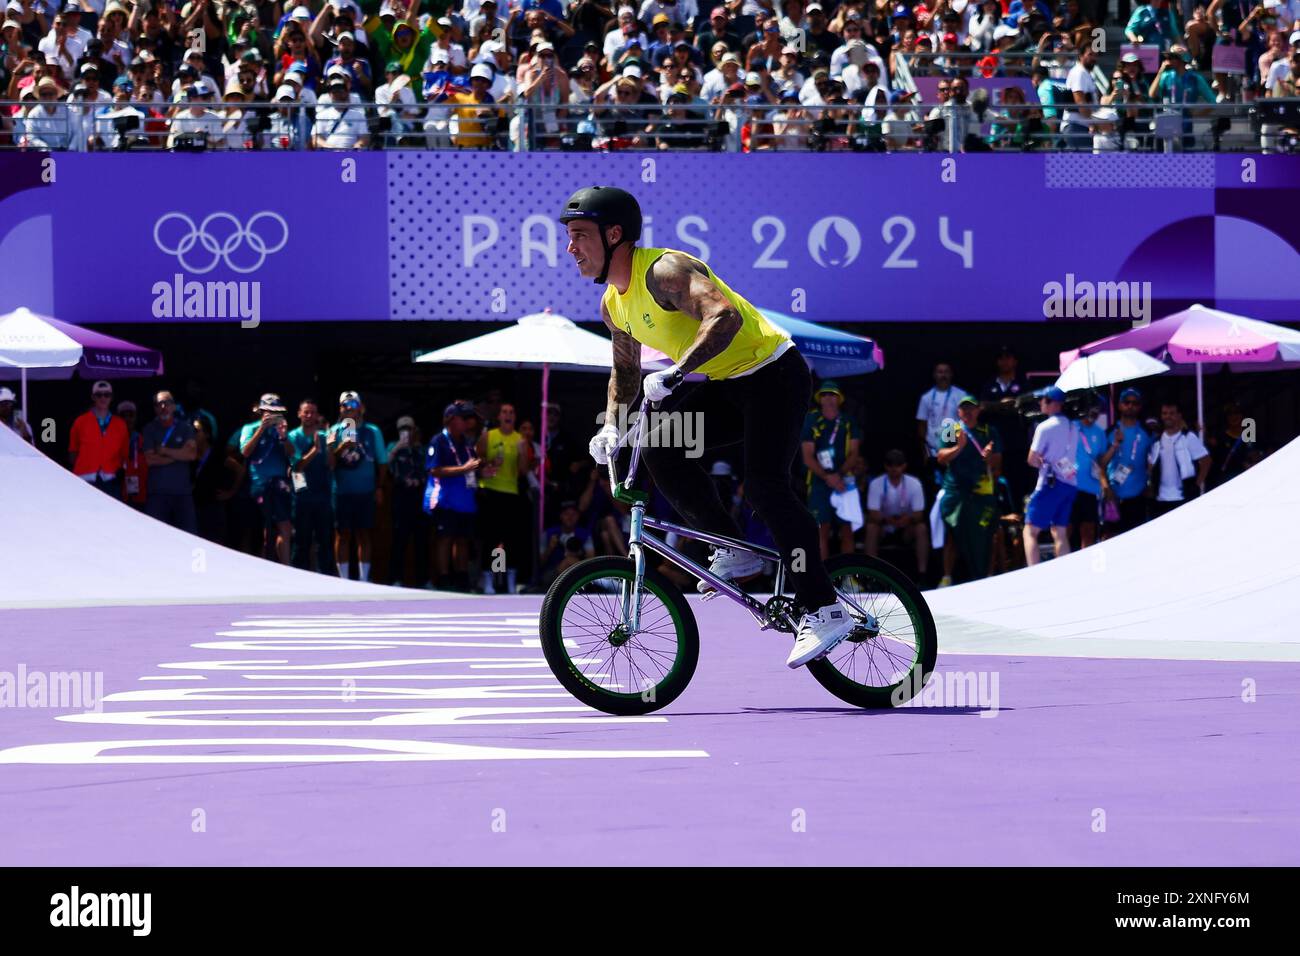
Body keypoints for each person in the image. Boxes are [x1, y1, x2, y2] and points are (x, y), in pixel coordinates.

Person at [563, 185, 857, 668]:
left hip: (775, 374)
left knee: (764, 487)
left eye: (579, 236)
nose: (570, 248)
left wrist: (678, 372)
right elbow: (626, 373)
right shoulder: (613, 305)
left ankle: (824, 607)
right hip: (728, 382)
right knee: (660, 446)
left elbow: (724, 316)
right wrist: (611, 427)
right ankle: (733, 547)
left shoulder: (664, 271)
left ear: (614, 235)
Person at [936, 395, 1001, 584]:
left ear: (979, 410)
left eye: (971, 408)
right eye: (964, 409)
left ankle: (986, 578)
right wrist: (959, 447)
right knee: (953, 534)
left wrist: (987, 457)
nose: (968, 412)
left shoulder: (989, 431)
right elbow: (941, 457)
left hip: (981, 492)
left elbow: (997, 465)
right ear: (958, 412)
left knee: (987, 535)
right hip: (955, 491)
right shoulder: (950, 428)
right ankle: (946, 577)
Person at [475, 401, 533, 594]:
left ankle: (509, 580)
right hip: (490, 492)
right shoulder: (488, 436)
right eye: (504, 412)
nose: (508, 415)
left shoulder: (519, 439)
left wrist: (523, 452)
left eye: (511, 412)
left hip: (510, 493)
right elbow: (476, 461)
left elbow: (523, 471)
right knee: (492, 538)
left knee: (510, 539)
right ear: (499, 416)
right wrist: (489, 463)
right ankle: (490, 578)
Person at [800, 380, 862, 559]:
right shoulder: (811, 420)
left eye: (832, 394)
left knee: (847, 528)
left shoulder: (848, 421)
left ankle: (849, 576)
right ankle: (824, 578)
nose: (828, 398)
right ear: (819, 399)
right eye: (824, 395)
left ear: (839, 398)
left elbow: (854, 453)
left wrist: (838, 475)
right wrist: (828, 477)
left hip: (845, 480)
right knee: (821, 529)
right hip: (819, 481)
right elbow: (807, 456)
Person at [328, 390, 386, 582]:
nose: (349, 409)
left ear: (361, 408)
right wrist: (341, 447)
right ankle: (343, 580)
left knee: (364, 534)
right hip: (342, 492)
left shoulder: (373, 431)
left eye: (353, 405)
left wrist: (379, 487)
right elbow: (329, 464)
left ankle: (364, 580)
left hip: (365, 491)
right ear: (340, 408)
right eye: (345, 405)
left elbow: (382, 462)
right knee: (342, 535)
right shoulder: (332, 431)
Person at [426, 401, 481, 591]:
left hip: (466, 501)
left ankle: (461, 577)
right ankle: (443, 578)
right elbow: (434, 470)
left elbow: (473, 470)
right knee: (445, 538)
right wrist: (463, 469)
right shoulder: (438, 441)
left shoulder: (466, 443)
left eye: (469, 418)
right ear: (450, 420)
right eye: (463, 418)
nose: (467, 422)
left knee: (463, 540)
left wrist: (486, 471)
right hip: (446, 499)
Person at [1024, 386, 1078, 566]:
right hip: (1070, 483)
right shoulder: (1073, 426)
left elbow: (1031, 459)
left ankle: (1034, 573)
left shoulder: (1044, 427)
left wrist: (1042, 461)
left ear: (1054, 403)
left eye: (1044, 400)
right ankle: (1063, 572)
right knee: (1060, 531)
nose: (1040, 403)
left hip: (1050, 483)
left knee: (1030, 531)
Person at [238, 394, 296, 564]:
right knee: (264, 531)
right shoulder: (250, 428)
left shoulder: (282, 429)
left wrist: (284, 436)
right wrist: (261, 429)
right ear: (262, 411)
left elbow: (292, 453)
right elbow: (245, 452)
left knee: (284, 527)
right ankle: (263, 567)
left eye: (276, 412)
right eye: (269, 411)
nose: (272, 415)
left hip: (280, 486)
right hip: (260, 487)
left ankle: (286, 569)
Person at [287, 398, 336, 575]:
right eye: (305, 412)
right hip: (301, 497)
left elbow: (331, 465)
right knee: (301, 542)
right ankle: (298, 579)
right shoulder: (292, 436)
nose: (309, 415)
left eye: (313, 412)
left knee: (324, 542)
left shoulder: (324, 437)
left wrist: (330, 448)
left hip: (322, 497)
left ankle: (326, 579)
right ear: (299, 414)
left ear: (317, 415)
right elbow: (297, 465)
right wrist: (315, 450)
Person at [865, 449, 929, 579]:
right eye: (890, 464)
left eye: (898, 464)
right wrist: (887, 520)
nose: (894, 468)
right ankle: (869, 575)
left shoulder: (914, 484)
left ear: (904, 466)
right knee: (871, 528)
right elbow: (872, 513)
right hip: (884, 526)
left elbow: (919, 514)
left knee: (921, 528)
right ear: (885, 466)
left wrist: (908, 519)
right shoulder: (876, 484)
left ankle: (922, 573)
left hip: (906, 527)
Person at [1099, 386, 1154, 537]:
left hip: (1138, 497)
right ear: (1119, 405)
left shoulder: (1147, 432)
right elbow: (1100, 465)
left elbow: (1153, 460)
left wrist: (1149, 483)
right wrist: (1106, 487)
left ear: (1140, 407)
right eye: (1126, 402)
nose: (1130, 406)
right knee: (1111, 540)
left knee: (1137, 541)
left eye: (1135, 403)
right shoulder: (1109, 432)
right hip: (1113, 496)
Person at [141, 389, 198, 533]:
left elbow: (191, 455)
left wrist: (165, 451)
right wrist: (179, 455)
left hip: (182, 493)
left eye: (167, 403)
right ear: (155, 409)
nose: (163, 407)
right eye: (159, 404)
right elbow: (150, 460)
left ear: (174, 406)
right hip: (157, 493)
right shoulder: (149, 429)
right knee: (155, 535)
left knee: (188, 535)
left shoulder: (186, 428)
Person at [1146, 400, 1211, 517]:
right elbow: (1150, 466)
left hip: (1184, 498)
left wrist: (1196, 485)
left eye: (1171, 413)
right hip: (1161, 499)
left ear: (1179, 415)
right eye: (1165, 413)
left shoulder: (1188, 437)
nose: (1168, 416)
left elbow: (1206, 461)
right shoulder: (1157, 441)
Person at [387, 414, 430, 588]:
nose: (406, 432)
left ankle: (423, 579)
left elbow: (429, 470)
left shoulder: (421, 448)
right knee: (399, 539)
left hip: (419, 497)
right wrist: (397, 448)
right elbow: (385, 465)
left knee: (422, 541)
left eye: (408, 429)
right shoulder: (392, 447)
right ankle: (395, 578)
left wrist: (416, 445)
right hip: (401, 496)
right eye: (402, 429)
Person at [68, 380, 128, 499]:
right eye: (99, 395)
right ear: (93, 397)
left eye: (107, 395)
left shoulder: (120, 424)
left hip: (111, 480)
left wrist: (119, 471)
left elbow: (124, 454)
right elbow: (72, 452)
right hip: (85, 480)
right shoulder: (80, 421)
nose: (103, 398)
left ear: (111, 397)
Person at [916, 361, 968, 496]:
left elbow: (967, 422)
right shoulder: (926, 398)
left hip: (955, 452)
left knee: (955, 489)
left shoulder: (961, 395)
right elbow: (922, 425)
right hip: (933, 452)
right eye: (940, 372)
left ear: (951, 374)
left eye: (946, 372)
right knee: (935, 489)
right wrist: (924, 453)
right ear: (934, 375)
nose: (943, 375)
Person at [1070, 398, 1109, 550]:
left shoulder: (1099, 432)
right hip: (1070, 487)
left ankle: (1086, 570)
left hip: (1090, 489)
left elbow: (1101, 462)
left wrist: (1115, 447)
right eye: (1091, 408)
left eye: (1097, 410)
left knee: (1088, 531)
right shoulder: (1071, 427)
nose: (1094, 412)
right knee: (1067, 530)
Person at [117, 399, 147, 510]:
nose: (127, 419)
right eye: (123, 416)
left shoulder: (143, 440)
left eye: (131, 415)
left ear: (135, 418)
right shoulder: (111, 442)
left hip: (141, 496)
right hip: (119, 496)